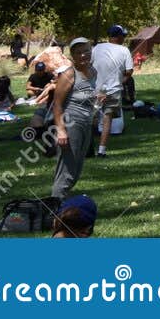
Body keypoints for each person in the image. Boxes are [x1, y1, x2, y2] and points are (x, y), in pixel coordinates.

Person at [50, 38, 99, 200]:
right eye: (78, 53)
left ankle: (61, 203)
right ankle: (56, 205)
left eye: (86, 51)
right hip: (71, 125)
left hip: (86, 124)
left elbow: (89, 96)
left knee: (76, 169)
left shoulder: (92, 71)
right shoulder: (69, 74)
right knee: (66, 171)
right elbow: (57, 104)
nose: (83, 55)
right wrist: (61, 131)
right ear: (72, 56)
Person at [90, 25, 134, 158]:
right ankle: (101, 151)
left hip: (96, 89)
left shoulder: (97, 48)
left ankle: (88, 147)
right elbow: (129, 71)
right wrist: (121, 81)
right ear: (119, 36)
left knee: (91, 117)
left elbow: (88, 65)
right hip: (114, 91)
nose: (124, 39)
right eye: (123, 36)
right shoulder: (124, 50)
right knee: (107, 119)